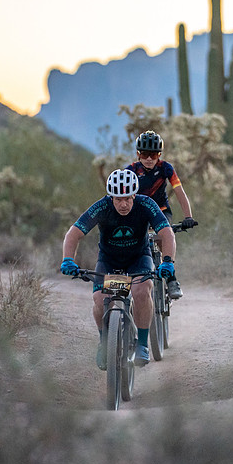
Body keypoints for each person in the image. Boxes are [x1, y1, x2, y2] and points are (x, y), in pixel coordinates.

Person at [60, 168, 177, 369]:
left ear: (134, 195)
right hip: (109, 262)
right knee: (100, 299)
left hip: (138, 259)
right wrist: (68, 260)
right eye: (117, 199)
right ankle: (104, 343)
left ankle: (141, 344)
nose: (123, 204)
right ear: (111, 197)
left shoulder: (146, 204)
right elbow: (73, 233)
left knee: (142, 290)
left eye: (127, 199)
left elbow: (167, 235)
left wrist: (167, 261)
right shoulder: (102, 207)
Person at [126, 130, 196, 300]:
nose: (149, 159)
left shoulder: (165, 168)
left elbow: (179, 191)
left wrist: (188, 217)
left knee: (165, 237)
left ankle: (172, 279)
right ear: (138, 154)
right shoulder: (131, 170)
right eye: (144, 154)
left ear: (159, 155)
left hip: (161, 211)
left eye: (153, 154)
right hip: (139, 212)